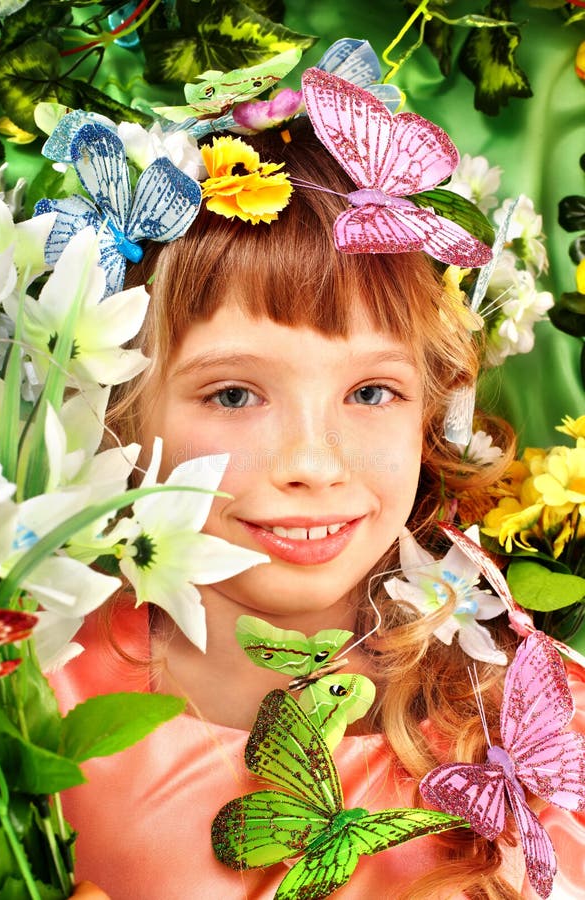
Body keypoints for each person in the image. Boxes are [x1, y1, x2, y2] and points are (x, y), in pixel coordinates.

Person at [51, 118, 582, 900]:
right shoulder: (38, 695)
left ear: (429, 411)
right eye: (232, 394)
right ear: (117, 414)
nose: (312, 463)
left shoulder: (545, 722)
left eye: (371, 392)